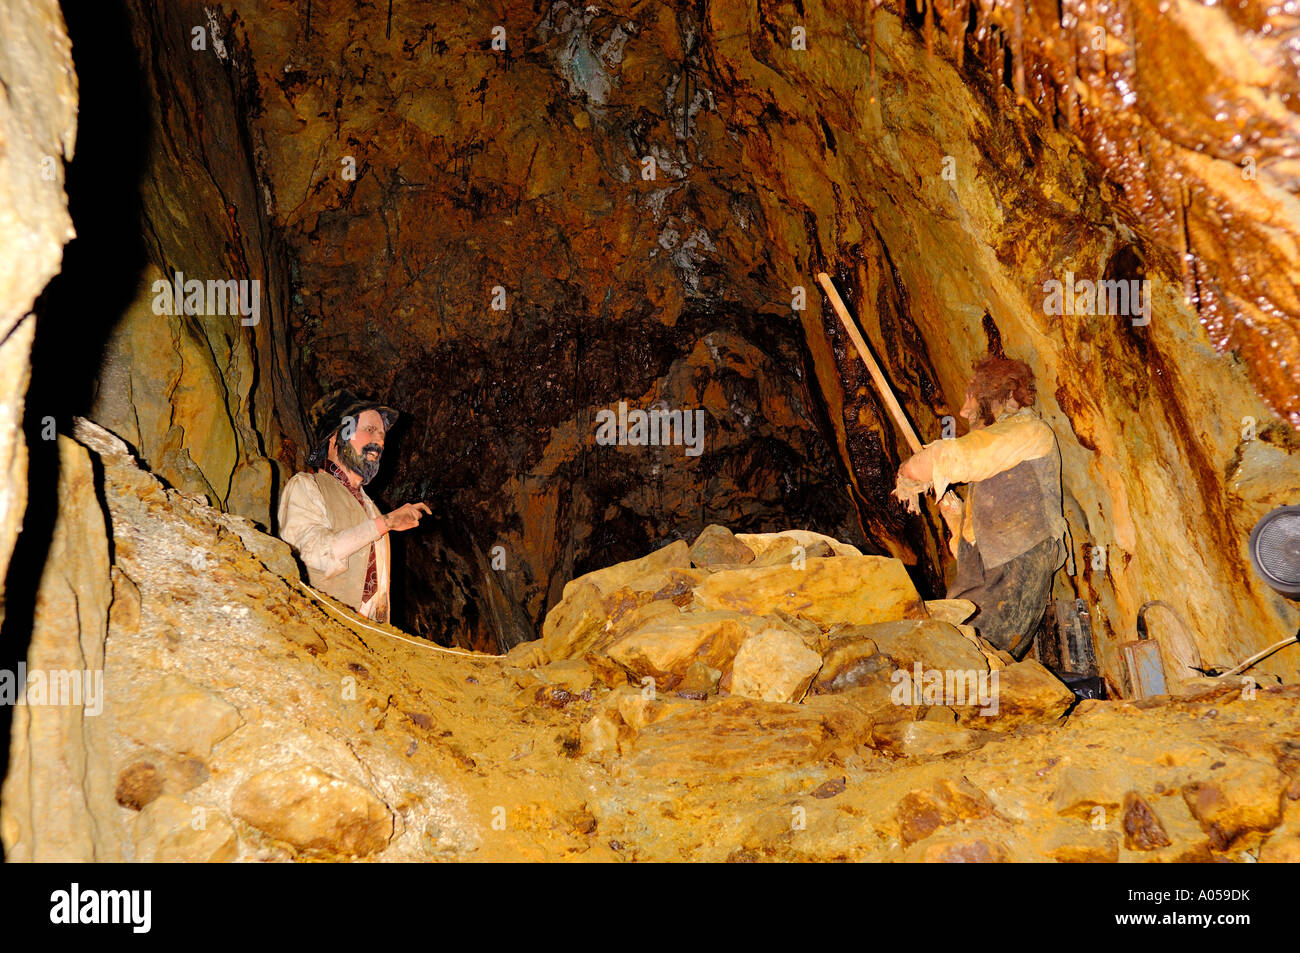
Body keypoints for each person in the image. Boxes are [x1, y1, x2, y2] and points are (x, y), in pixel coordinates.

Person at [893, 355, 1068, 659]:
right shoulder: (1002, 449)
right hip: (986, 579)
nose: (963, 411)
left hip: (1012, 577)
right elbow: (975, 539)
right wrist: (956, 515)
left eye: (971, 397)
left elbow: (955, 457)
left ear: (995, 392)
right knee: (952, 654)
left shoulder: (1028, 431)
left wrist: (909, 472)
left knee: (961, 657)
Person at [278, 390, 431, 622]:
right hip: (321, 633)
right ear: (336, 437)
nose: (379, 441)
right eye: (369, 430)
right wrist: (385, 523)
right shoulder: (307, 487)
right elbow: (312, 553)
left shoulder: (371, 509)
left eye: (381, 434)